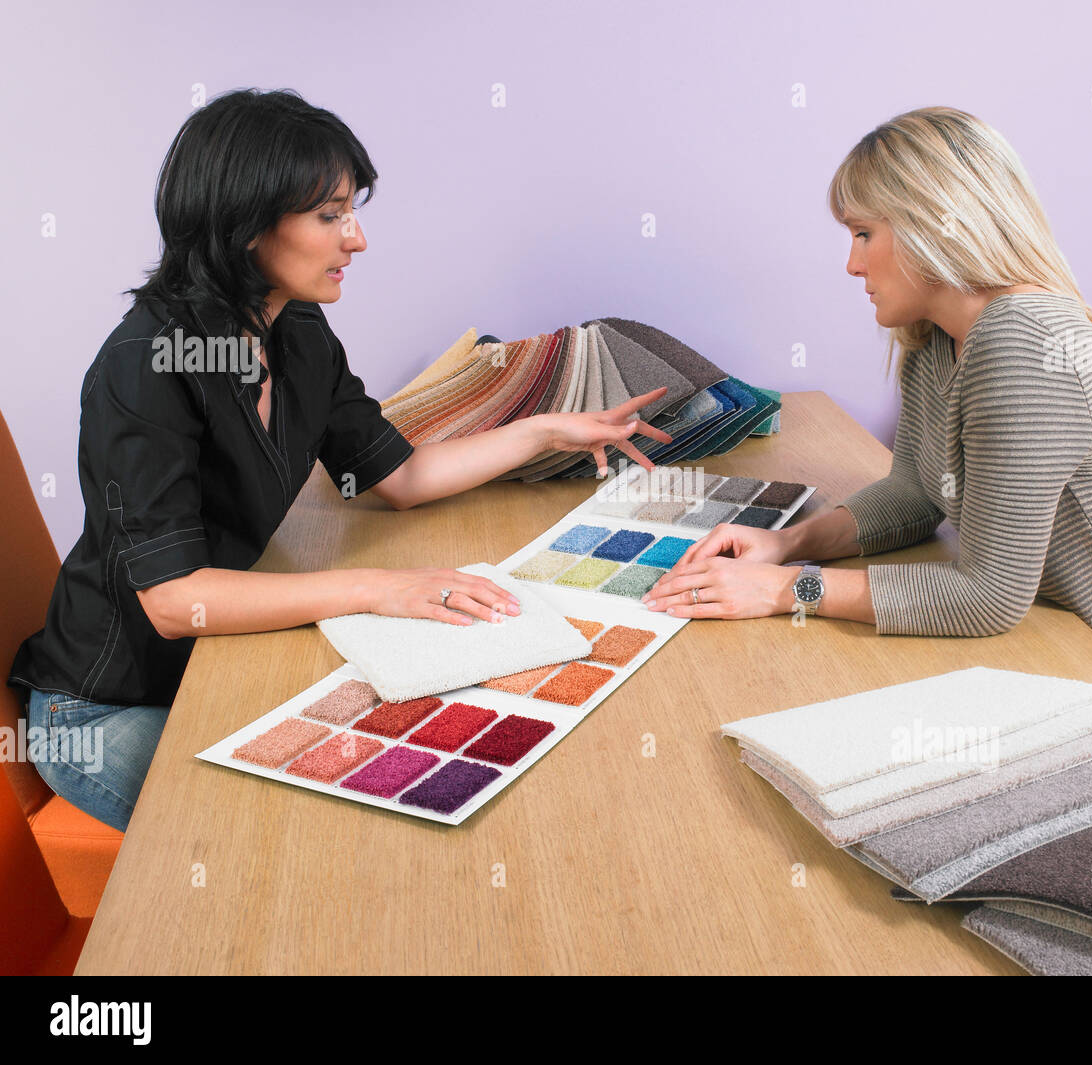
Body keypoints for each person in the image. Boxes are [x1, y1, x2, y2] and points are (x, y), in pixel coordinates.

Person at [8, 88, 671, 831]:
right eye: (330, 215)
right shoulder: (145, 367)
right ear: (245, 225)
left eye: (353, 210)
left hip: (215, 666)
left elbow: (401, 477)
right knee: (275, 846)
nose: (356, 240)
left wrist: (546, 432)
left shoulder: (299, 333)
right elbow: (171, 600)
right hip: (101, 709)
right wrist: (372, 587)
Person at [642, 106, 1092, 746]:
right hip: (1060, 645)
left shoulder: (1025, 345)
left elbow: (987, 598)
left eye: (864, 233)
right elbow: (914, 495)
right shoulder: (936, 339)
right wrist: (788, 545)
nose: (851, 264)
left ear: (934, 225)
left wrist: (786, 589)